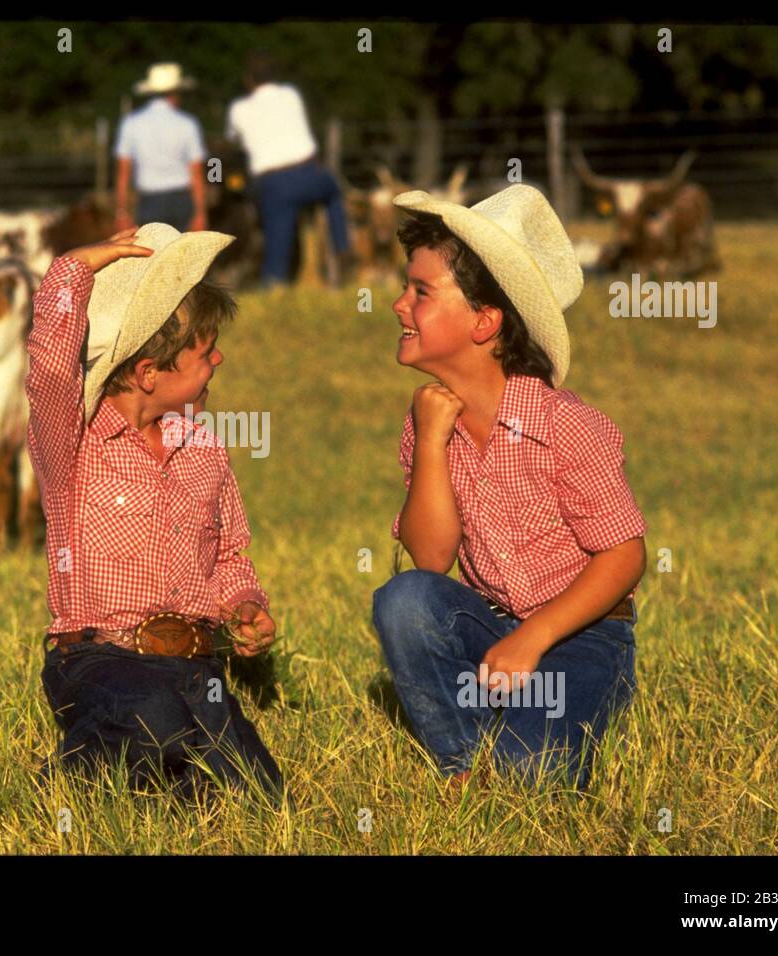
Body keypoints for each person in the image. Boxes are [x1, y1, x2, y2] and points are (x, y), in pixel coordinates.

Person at [371, 184, 647, 790]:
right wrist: (430, 444)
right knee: (404, 599)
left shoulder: (565, 425)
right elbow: (432, 557)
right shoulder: (425, 423)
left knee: (534, 774)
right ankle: (461, 760)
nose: (397, 305)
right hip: (494, 627)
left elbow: (624, 555)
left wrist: (535, 638)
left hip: (582, 634)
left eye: (420, 291)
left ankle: (520, 745)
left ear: (484, 321)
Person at [26, 223, 282, 800]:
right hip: (98, 659)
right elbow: (48, 374)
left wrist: (244, 603)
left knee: (259, 792)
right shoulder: (74, 446)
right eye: (204, 349)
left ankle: (149, 793)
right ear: (148, 373)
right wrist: (72, 269)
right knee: (153, 716)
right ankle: (62, 786)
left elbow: (226, 556)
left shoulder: (204, 449)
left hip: (195, 668)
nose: (219, 357)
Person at [225, 52, 351, 286]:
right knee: (334, 193)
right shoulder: (291, 95)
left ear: (248, 80)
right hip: (312, 173)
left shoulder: (238, 109)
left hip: (276, 183)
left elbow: (233, 142)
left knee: (276, 239)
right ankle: (342, 246)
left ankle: (274, 280)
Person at [114, 64, 208, 235]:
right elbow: (196, 173)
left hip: (150, 201)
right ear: (174, 93)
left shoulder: (131, 124)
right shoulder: (187, 124)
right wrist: (200, 212)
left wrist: (122, 211)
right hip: (181, 200)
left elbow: (123, 173)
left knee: (154, 256)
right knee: (186, 257)